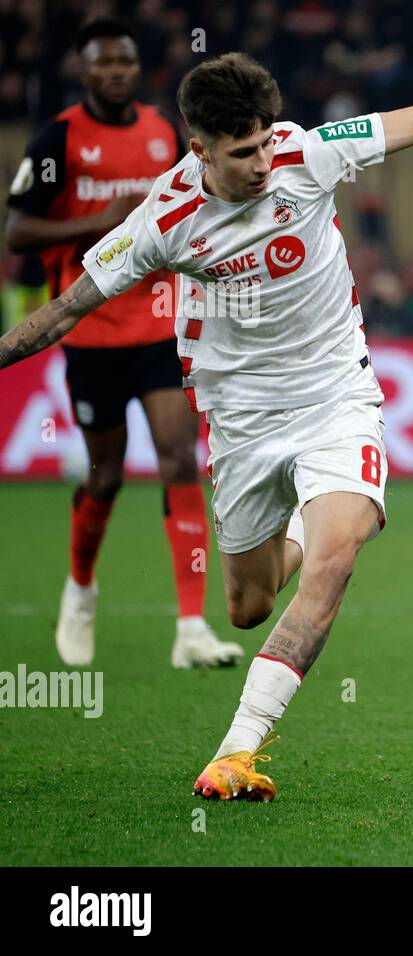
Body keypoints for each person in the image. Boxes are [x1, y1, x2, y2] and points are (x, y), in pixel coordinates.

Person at [0, 51, 413, 801]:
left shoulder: (306, 151)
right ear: (200, 151)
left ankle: (236, 750)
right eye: (241, 152)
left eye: (262, 143)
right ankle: (298, 535)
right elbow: (62, 309)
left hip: (333, 396)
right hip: (242, 419)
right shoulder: (164, 219)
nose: (260, 163)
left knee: (337, 555)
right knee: (247, 608)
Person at [4, 18, 241, 669]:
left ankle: (191, 626)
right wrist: (100, 222)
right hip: (90, 329)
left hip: (160, 324)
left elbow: (193, 206)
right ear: (84, 71)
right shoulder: (58, 140)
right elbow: (18, 231)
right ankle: (80, 590)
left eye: (126, 62)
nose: (116, 73)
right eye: (104, 63)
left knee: (177, 460)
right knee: (105, 477)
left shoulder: (164, 131)